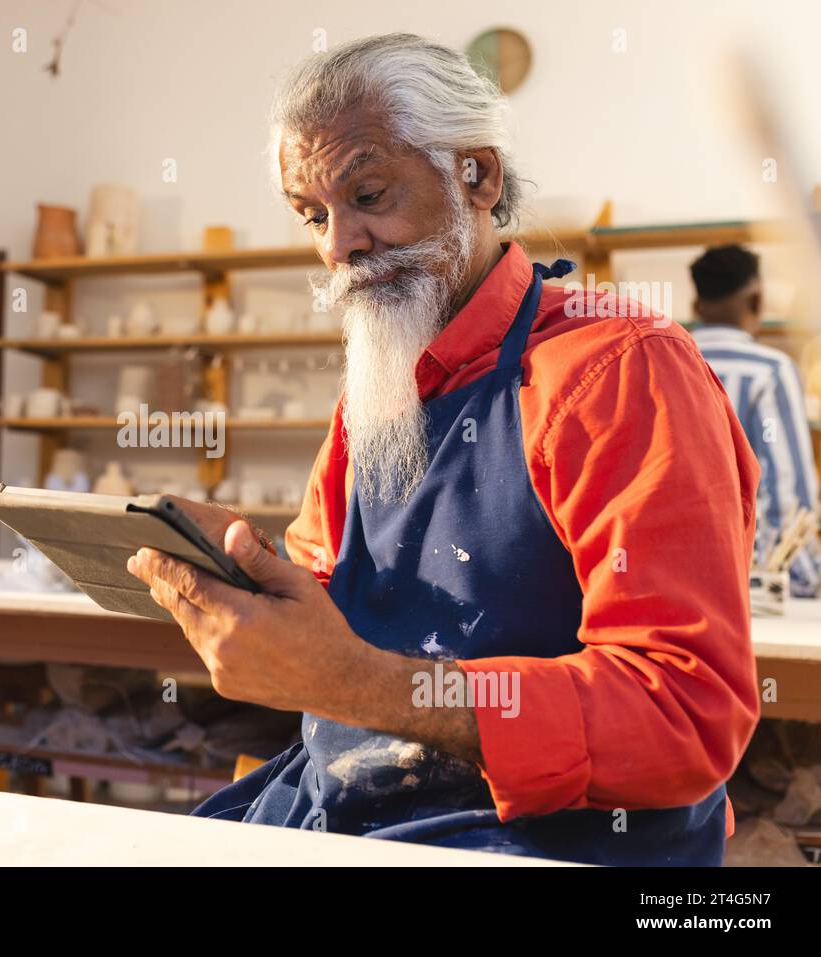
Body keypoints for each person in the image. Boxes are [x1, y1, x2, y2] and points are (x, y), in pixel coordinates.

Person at [125, 33, 761, 865]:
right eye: (313, 214)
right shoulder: (379, 388)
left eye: (369, 194)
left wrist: (359, 684)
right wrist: (245, 580)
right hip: (352, 806)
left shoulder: (617, 372)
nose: (338, 245)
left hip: (542, 836)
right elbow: (331, 597)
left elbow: (682, 711)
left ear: (478, 176)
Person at [689, 244, 820, 596]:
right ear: (757, 300)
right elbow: (786, 488)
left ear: (697, 306)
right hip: (757, 578)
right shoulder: (769, 371)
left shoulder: (665, 357)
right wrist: (801, 576)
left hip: (682, 576)